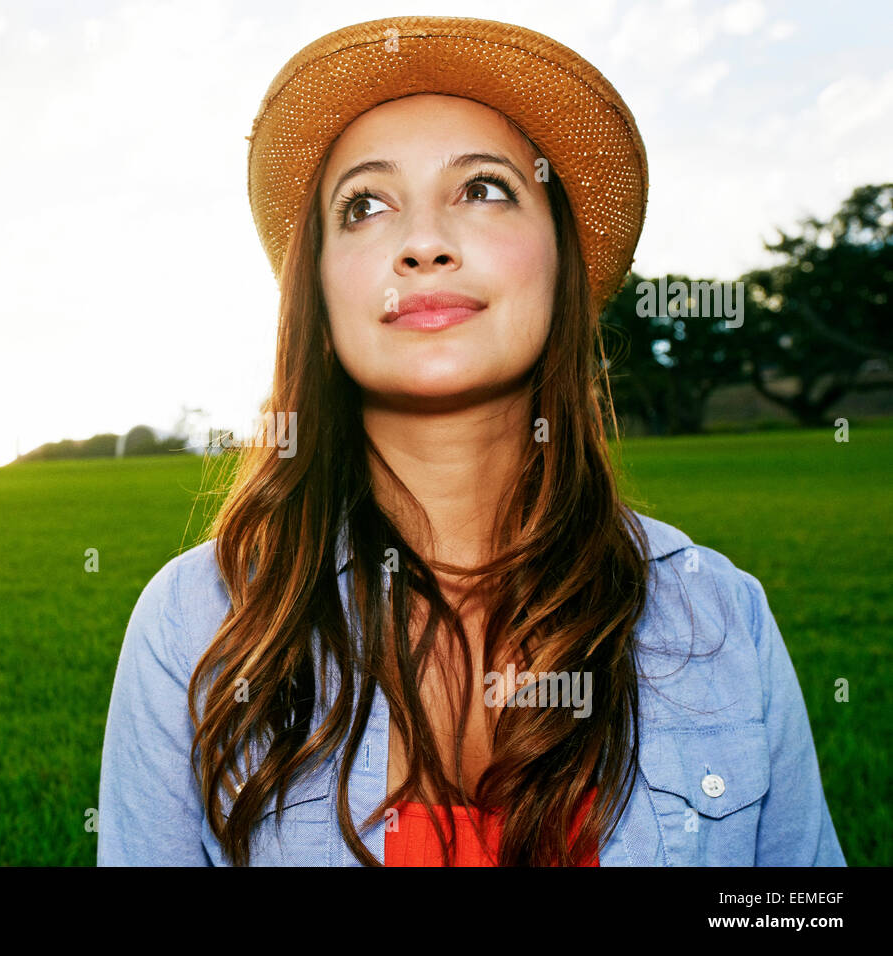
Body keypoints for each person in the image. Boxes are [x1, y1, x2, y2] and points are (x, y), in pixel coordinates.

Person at [97, 15, 845, 866]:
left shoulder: (721, 618)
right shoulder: (197, 629)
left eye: (484, 189)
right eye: (366, 206)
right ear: (320, 292)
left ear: (560, 257)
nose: (422, 244)